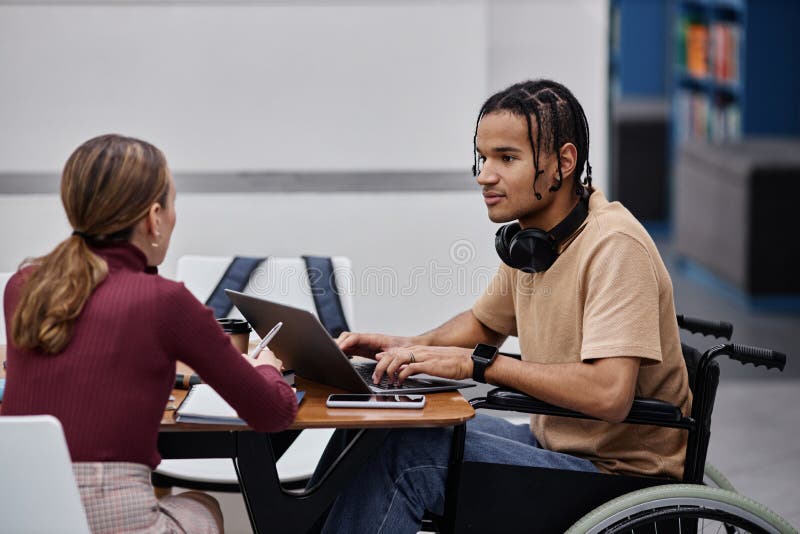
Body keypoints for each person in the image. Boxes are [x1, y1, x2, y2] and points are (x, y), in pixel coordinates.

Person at [322, 79, 692, 533]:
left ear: (563, 163)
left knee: (408, 455)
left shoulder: (614, 246)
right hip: (557, 443)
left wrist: (480, 365)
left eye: (507, 158)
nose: (484, 175)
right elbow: (483, 324)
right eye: (483, 157)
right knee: (370, 432)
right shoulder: (533, 241)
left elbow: (609, 394)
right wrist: (407, 346)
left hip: (617, 478)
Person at [2, 134, 298, 533]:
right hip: (113, 521)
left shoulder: (23, 286)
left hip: (22, 516)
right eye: (172, 205)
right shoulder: (163, 301)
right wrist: (264, 367)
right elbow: (274, 412)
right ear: (153, 217)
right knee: (202, 506)